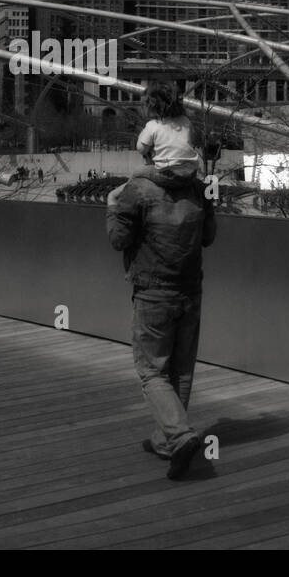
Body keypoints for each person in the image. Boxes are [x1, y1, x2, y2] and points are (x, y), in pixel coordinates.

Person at [106, 162, 217, 480]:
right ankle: (167, 441)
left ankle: (180, 436)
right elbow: (208, 236)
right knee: (180, 371)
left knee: (151, 372)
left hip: (153, 293)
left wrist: (112, 206)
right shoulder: (198, 188)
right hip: (190, 291)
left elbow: (118, 239)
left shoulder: (137, 189)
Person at [134, 82, 200, 180]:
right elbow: (192, 140)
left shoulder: (153, 125)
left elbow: (141, 149)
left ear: (152, 106)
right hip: (190, 173)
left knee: (137, 173)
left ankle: (114, 195)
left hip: (168, 173)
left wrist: (141, 135)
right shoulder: (186, 121)